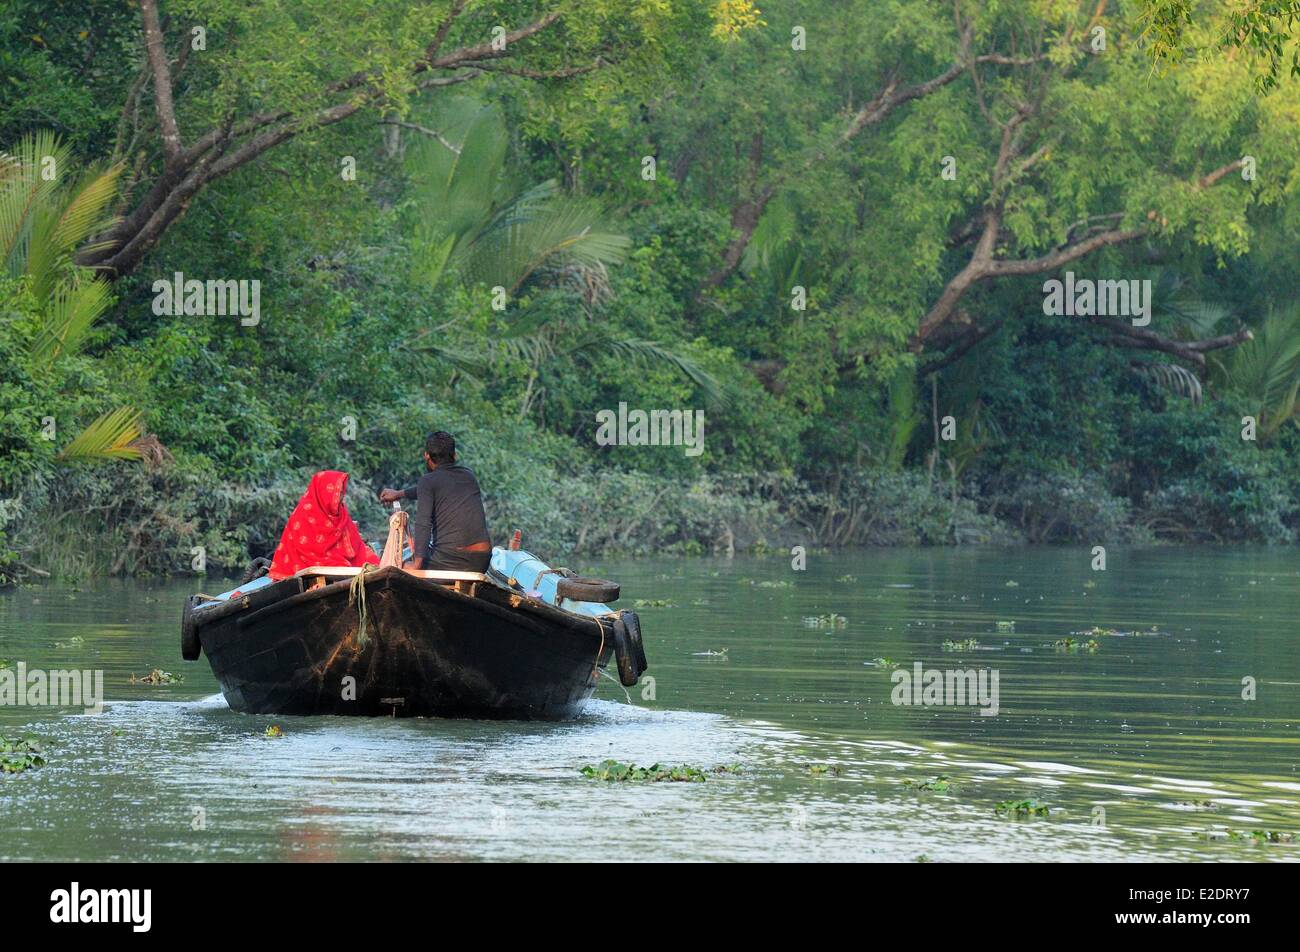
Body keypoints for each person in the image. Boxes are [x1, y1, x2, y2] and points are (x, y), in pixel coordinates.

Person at [378, 431, 491, 572]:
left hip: (452, 559)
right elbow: (430, 488)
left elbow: (423, 524)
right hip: (482, 560)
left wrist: (417, 565)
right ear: (454, 455)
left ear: (427, 455)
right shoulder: (468, 475)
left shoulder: (428, 482)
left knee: (401, 566)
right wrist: (399, 494)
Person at [268, 471, 380, 580]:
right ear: (324, 492)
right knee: (341, 568)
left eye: (342, 492)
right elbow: (306, 549)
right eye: (337, 493)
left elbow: (355, 545)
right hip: (308, 562)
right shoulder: (304, 513)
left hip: (338, 560)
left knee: (374, 563)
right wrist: (335, 561)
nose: (340, 497)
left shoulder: (341, 512)